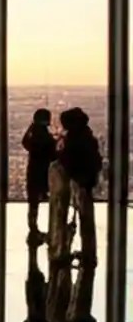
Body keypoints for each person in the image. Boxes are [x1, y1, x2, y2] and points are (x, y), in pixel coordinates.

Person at [57, 107, 100, 268]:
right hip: (86, 181)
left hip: (79, 180)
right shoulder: (88, 138)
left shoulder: (75, 140)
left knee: (82, 218)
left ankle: (85, 253)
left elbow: (67, 159)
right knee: (86, 218)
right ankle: (88, 252)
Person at [22, 108, 56, 243]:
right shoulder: (45, 137)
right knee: (50, 200)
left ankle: (33, 228)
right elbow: (52, 154)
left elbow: (25, 142)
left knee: (33, 203)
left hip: (33, 171)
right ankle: (52, 229)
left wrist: (31, 127)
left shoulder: (34, 135)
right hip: (44, 172)